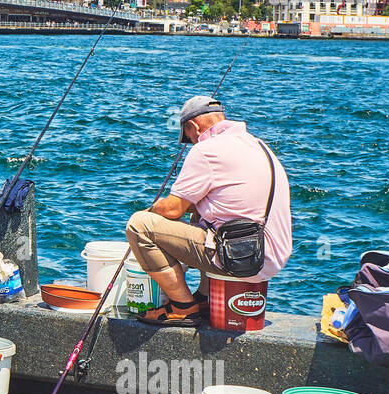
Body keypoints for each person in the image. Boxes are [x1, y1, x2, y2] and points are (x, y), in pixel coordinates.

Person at [125, 95, 291, 323]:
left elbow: (173, 209)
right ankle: (205, 296)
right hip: (268, 257)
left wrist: (152, 210)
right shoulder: (258, 145)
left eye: (188, 137)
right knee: (201, 208)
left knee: (139, 225)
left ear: (193, 126)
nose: (192, 142)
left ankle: (183, 306)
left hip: (241, 257)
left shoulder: (206, 150)